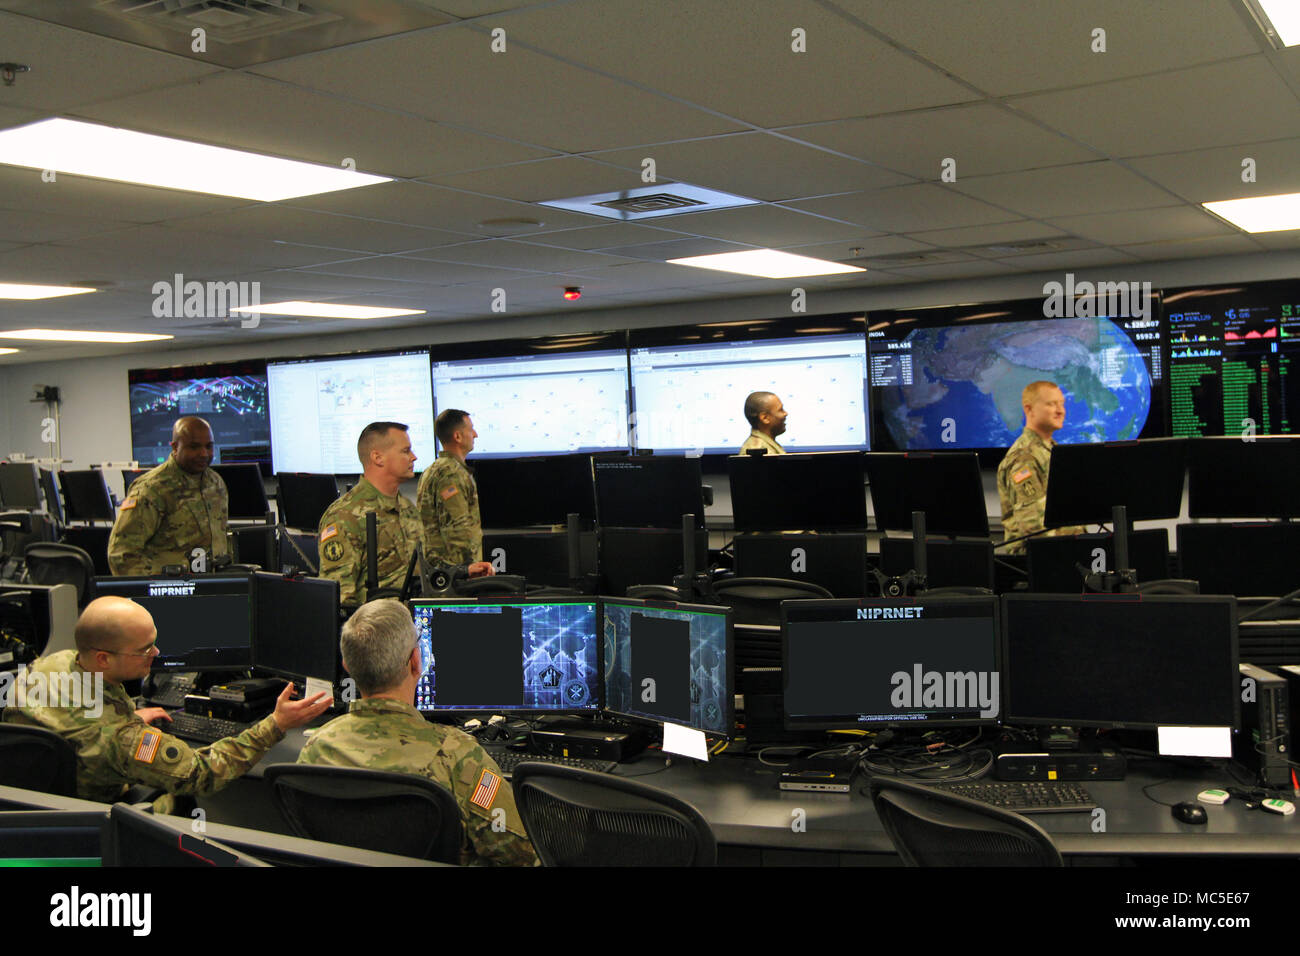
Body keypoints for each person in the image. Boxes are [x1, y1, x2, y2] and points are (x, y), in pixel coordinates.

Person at [2, 596, 329, 811]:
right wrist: (276, 725)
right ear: (103, 658)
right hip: (99, 821)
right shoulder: (124, 740)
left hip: (35, 809)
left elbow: (81, 721)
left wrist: (130, 711)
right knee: (189, 797)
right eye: (144, 649)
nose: (156, 654)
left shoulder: (50, 665)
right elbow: (203, 772)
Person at [297, 599, 537, 866]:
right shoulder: (457, 755)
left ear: (347, 666)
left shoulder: (317, 746)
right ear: (415, 662)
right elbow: (521, 852)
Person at [318, 421, 423, 607]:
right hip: (374, 630)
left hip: (413, 625)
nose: (413, 457)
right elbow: (340, 602)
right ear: (378, 457)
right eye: (405, 451)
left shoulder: (408, 509)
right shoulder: (344, 516)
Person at [107, 416, 229, 575]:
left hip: (213, 587)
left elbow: (220, 540)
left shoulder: (215, 483)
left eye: (209, 446)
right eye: (194, 447)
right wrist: (151, 591)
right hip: (167, 590)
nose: (204, 453)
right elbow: (121, 555)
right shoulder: (151, 489)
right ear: (175, 447)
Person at [996, 381, 1087, 554]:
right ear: (1029, 409)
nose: (1060, 411)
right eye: (1051, 404)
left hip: (1062, 553)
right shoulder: (1024, 458)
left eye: (1061, 404)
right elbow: (1034, 528)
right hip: (1037, 562)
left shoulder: (1051, 449)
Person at [416, 409, 492, 576]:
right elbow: (458, 529)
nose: (475, 434)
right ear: (457, 437)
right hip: (455, 577)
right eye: (471, 429)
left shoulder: (433, 470)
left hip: (442, 572)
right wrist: (468, 570)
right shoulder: (451, 474)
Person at [738, 391, 788, 455]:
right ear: (765, 418)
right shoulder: (759, 451)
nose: (785, 414)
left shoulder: (766, 446)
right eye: (780, 410)